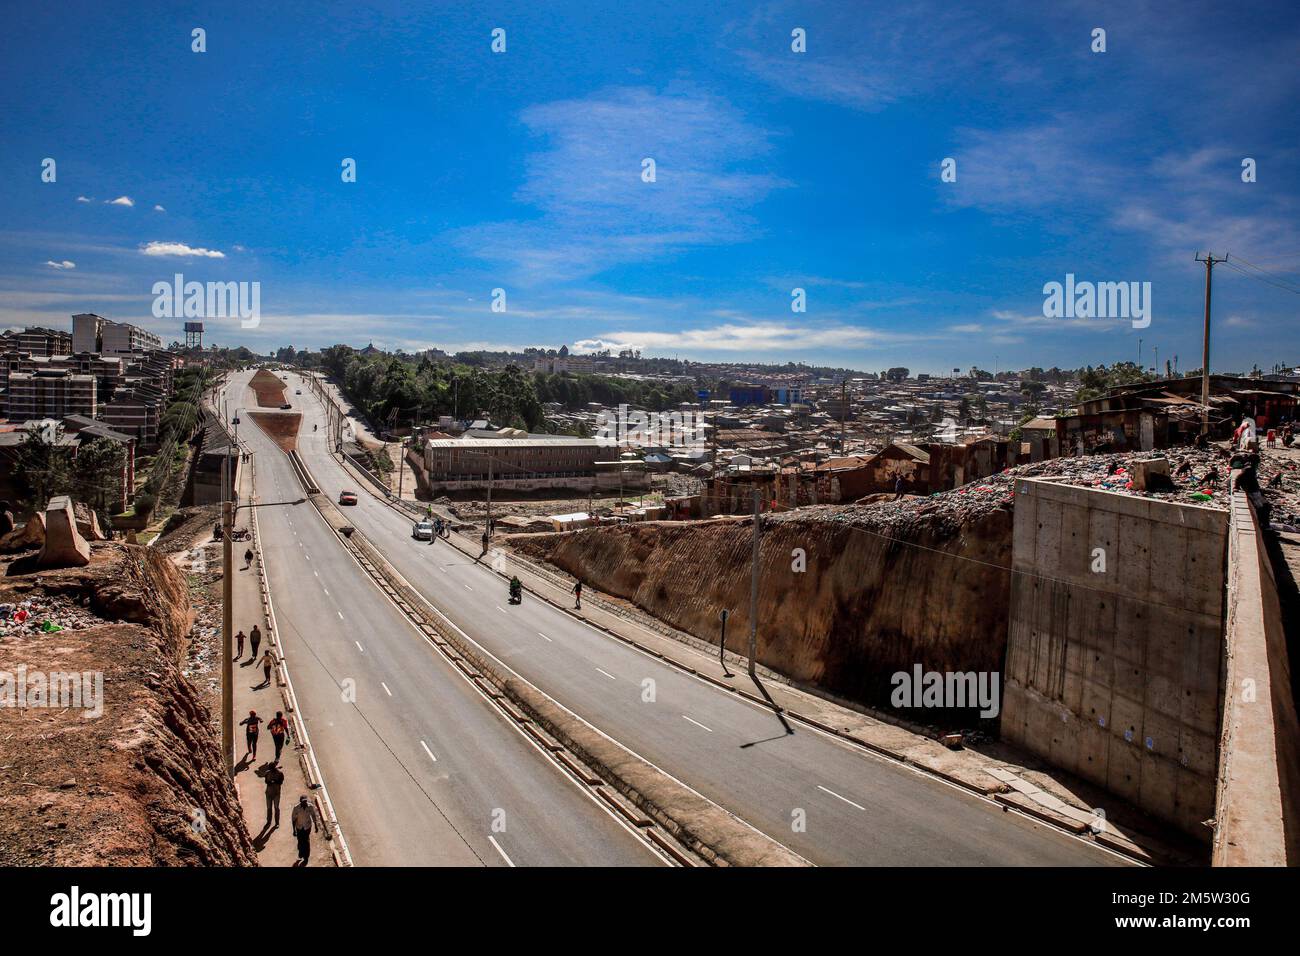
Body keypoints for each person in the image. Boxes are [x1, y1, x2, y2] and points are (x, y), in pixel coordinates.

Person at [291, 796, 320, 865]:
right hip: (299, 827)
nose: (305, 803)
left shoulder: (310, 806)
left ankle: (306, 856)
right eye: (303, 801)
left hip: (307, 827)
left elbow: (313, 816)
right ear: (300, 802)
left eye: (305, 801)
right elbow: (293, 819)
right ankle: (301, 854)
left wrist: (316, 825)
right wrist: (294, 830)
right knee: (300, 841)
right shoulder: (296, 808)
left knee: (306, 841)